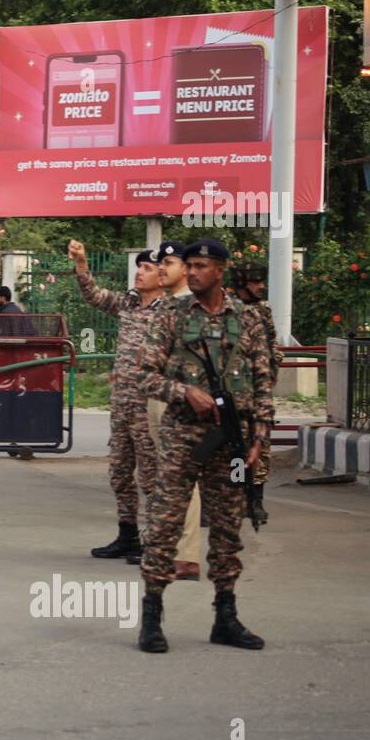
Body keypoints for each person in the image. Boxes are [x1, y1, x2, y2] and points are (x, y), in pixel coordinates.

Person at [134, 239, 273, 654]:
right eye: (188, 266)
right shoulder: (171, 316)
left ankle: (225, 616)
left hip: (231, 438)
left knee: (229, 529)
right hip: (183, 436)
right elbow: (144, 375)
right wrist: (183, 392)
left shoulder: (247, 319)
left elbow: (263, 379)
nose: (191, 273)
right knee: (164, 525)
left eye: (199, 266)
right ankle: (152, 615)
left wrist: (259, 437)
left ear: (219, 271)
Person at [69, 242, 163, 562]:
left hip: (149, 405)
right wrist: (81, 264)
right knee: (120, 473)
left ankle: (156, 540)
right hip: (121, 404)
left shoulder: (171, 312)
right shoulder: (129, 303)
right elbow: (94, 295)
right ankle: (128, 535)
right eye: (138, 266)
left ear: (163, 275)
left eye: (147, 268)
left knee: (150, 475)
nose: (139, 271)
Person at [143, 240, 204, 580]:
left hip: (179, 398)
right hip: (158, 394)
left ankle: (188, 555)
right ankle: (167, 548)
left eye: (169, 262)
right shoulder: (166, 305)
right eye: (160, 262)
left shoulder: (192, 307)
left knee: (182, 477)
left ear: (187, 268)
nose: (162, 268)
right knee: (166, 475)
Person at [231, 261, 283, 523]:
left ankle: (256, 501)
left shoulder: (263, 311)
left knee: (260, 447)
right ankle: (233, 499)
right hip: (232, 392)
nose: (261, 286)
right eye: (255, 282)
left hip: (257, 391)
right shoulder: (225, 308)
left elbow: (272, 343)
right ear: (241, 283)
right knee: (233, 447)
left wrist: (271, 367)